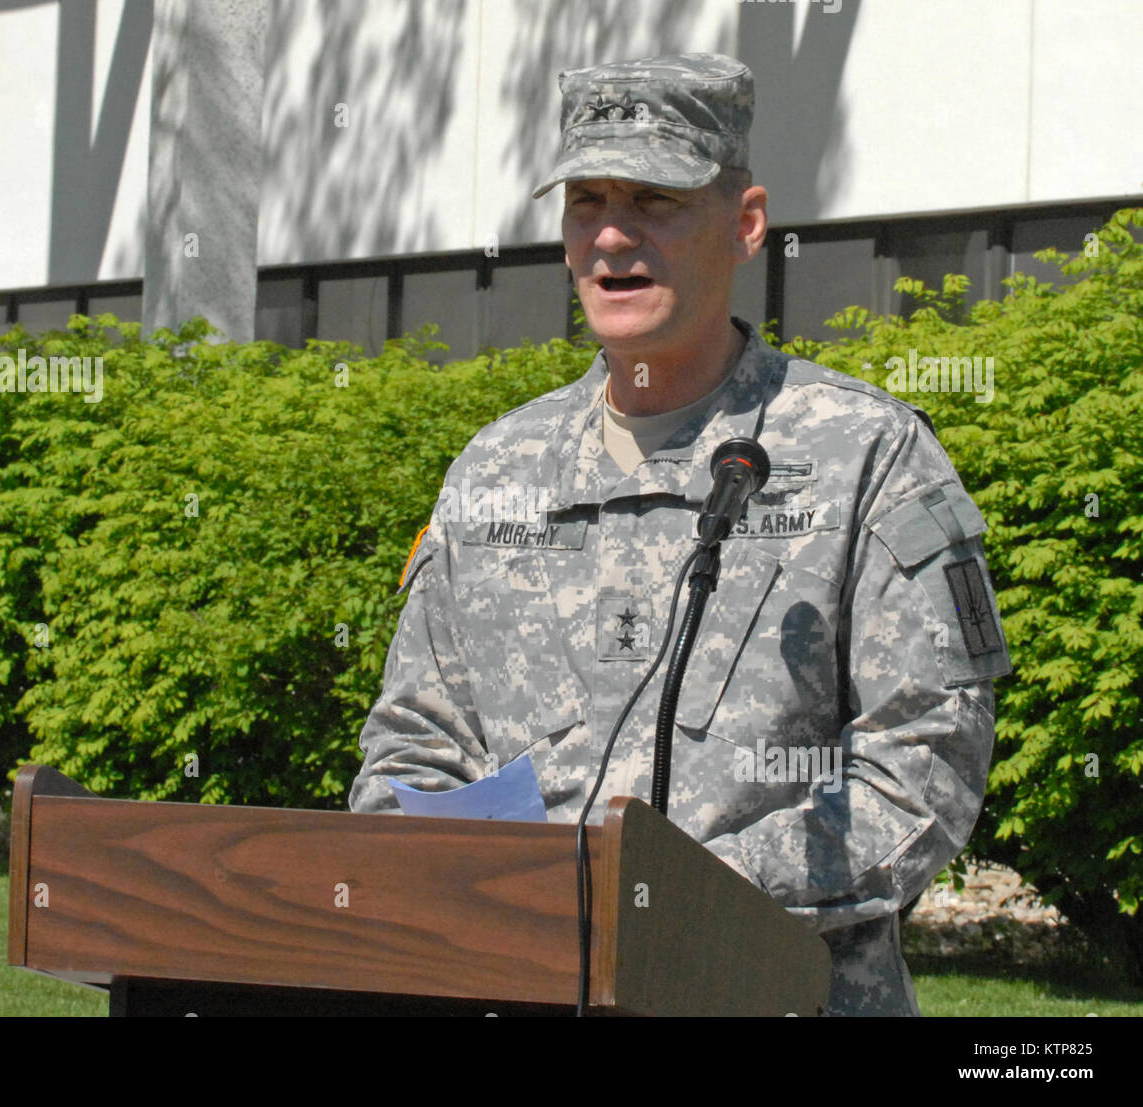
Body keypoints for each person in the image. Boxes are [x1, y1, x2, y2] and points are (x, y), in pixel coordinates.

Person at [347, 53, 1011, 1016]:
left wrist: (677, 902)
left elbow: (925, 757)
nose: (614, 235)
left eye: (656, 199)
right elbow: (414, 745)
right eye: (587, 201)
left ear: (745, 224)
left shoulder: (864, 454)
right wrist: (464, 898)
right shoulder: (495, 472)